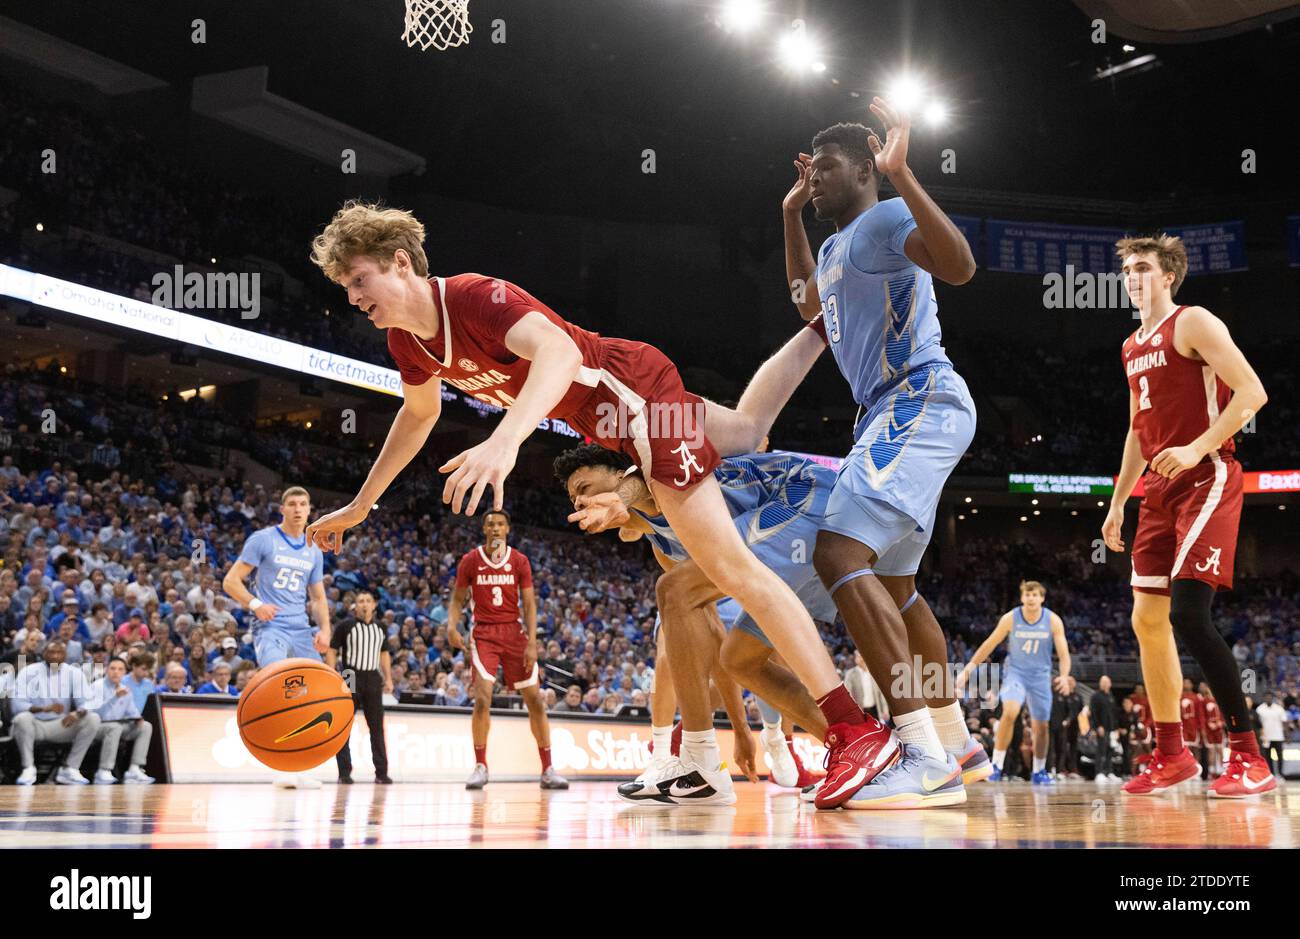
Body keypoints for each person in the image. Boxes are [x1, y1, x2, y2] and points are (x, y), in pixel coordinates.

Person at [302, 202, 893, 806]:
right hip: (607, 417)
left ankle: (855, 732)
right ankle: (826, 323)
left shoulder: (476, 297)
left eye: (357, 280)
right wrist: (359, 505)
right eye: (345, 286)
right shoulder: (410, 342)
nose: (352, 297)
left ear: (400, 263)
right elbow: (419, 414)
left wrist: (506, 442)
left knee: (730, 571)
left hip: (634, 397)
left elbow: (559, 354)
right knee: (744, 431)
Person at [779, 103, 986, 808]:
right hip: (892, 415)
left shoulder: (887, 216)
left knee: (838, 554)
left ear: (866, 168)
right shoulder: (839, 245)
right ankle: (955, 739)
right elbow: (808, 303)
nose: (816, 181)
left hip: (916, 400)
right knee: (897, 588)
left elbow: (960, 266)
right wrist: (789, 218)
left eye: (828, 168)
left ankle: (921, 755)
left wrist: (905, 175)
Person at [1101, 234, 1275, 798]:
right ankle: (1171, 755)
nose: (1132, 276)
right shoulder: (1130, 345)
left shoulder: (1193, 321)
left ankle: (1250, 755)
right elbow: (1135, 430)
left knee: (1189, 615)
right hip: (1157, 489)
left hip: (1208, 477)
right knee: (1145, 621)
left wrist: (1199, 447)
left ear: (1169, 275)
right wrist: (1118, 502)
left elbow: (1252, 393)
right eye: (1127, 268)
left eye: (1143, 267)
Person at [445, 510, 567, 791]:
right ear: (484, 529)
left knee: (535, 699)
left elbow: (530, 604)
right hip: (484, 633)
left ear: (508, 528)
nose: (495, 528)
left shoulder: (520, 561)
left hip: (514, 633)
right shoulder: (470, 560)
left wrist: (533, 642)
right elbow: (457, 598)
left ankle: (548, 768)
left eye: (500, 523)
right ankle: (480, 765)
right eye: (490, 524)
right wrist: (451, 626)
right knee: (482, 699)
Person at [222, 485, 331, 789]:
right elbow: (230, 581)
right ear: (282, 509)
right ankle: (281, 764)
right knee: (281, 689)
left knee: (313, 696)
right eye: (292, 504)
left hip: (301, 629)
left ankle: (302, 764)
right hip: (271, 627)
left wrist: (325, 629)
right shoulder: (263, 539)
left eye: (303, 504)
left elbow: (319, 598)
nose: (298, 509)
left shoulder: (313, 549)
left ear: (310, 511)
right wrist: (256, 605)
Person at [957, 581, 1071, 784]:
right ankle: (996, 766)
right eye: (1027, 594)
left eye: (1035, 595)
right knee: (1009, 712)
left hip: (1040, 676)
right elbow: (989, 644)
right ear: (1022, 598)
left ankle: (1039, 770)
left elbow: (1064, 654)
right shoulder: (1010, 618)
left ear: (1042, 598)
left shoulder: (1053, 620)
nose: (1031, 598)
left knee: (1041, 726)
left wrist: (1064, 675)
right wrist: (968, 669)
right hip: (1016, 673)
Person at [9, 640, 102, 785]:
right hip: (34, 724)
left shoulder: (74, 672)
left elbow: (89, 702)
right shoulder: (28, 671)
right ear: (44, 653)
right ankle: (28, 768)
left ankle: (70, 768)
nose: (55, 656)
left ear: (65, 656)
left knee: (93, 718)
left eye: (60, 653)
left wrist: (77, 713)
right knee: (22, 718)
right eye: (52, 652)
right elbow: (17, 705)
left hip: (61, 725)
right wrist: (43, 709)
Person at [329, 590, 393, 784]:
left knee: (377, 727)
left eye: (367, 601)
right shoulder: (344, 626)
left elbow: (384, 654)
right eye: (360, 601)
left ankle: (381, 773)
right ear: (355, 606)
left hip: (373, 676)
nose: (364, 604)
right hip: (350, 674)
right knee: (344, 725)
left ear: (374, 605)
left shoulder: (381, 627)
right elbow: (332, 650)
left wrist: (388, 678)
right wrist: (332, 673)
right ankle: (344, 773)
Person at [90, 657, 155, 784]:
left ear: (124, 673)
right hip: (97, 727)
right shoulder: (97, 686)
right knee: (114, 727)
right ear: (106, 670)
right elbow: (96, 713)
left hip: (118, 726)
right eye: (113, 668)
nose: (116, 672)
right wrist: (114, 697)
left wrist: (137, 718)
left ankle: (135, 769)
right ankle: (104, 770)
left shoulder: (125, 689)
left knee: (146, 726)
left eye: (120, 669)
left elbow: (131, 711)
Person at [1086, 676, 1119, 783]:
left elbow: (1114, 713)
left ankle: (1109, 772)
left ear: (1110, 684)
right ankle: (1099, 773)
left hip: (1111, 729)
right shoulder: (1096, 696)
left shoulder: (1111, 696)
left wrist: (1116, 728)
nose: (1104, 684)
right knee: (1101, 750)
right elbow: (1093, 713)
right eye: (1102, 682)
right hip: (1102, 728)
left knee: (1110, 750)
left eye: (1106, 682)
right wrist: (1097, 726)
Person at [1256, 692, 1287, 778]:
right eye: (1266, 697)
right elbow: (1258, 725)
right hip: (1266, 737)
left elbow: (1284, 722)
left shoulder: (1279, 709)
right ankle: (1271, 773)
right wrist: (1261, 736)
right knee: (1267, 757)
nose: (1268, 698)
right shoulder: (1260, 709)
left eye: (1270, 697)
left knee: (1279, 756)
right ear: (1264, 698)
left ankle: (1280, 773)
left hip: (1278, 736)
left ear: (1273, 698)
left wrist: (1287, 736)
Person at [1199, 682, 1224, 778]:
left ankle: (1221, 769)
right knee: (1211, 750)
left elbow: (1222, 714)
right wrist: (1206, 726)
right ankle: (1211, 770)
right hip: (1209, 729)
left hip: (1219, 729)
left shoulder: (1219, 700)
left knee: (1220, 749)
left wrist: (1221, 723)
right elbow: (1202, 715)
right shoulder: (1204, 701)